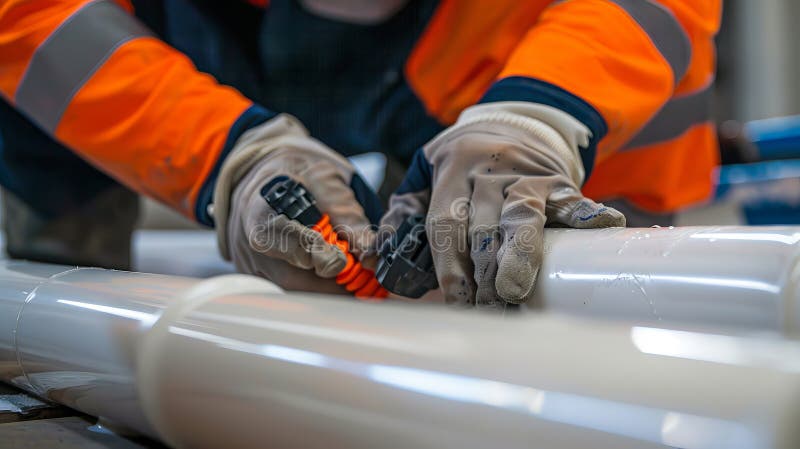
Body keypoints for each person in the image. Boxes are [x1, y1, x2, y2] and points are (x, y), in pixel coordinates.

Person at [0, 0, 721, 307]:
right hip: (180, 24)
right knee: (65, 297)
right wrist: (226, 155)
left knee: (508, 253)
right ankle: (63, 299)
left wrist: (541, 112)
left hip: (481, 36)